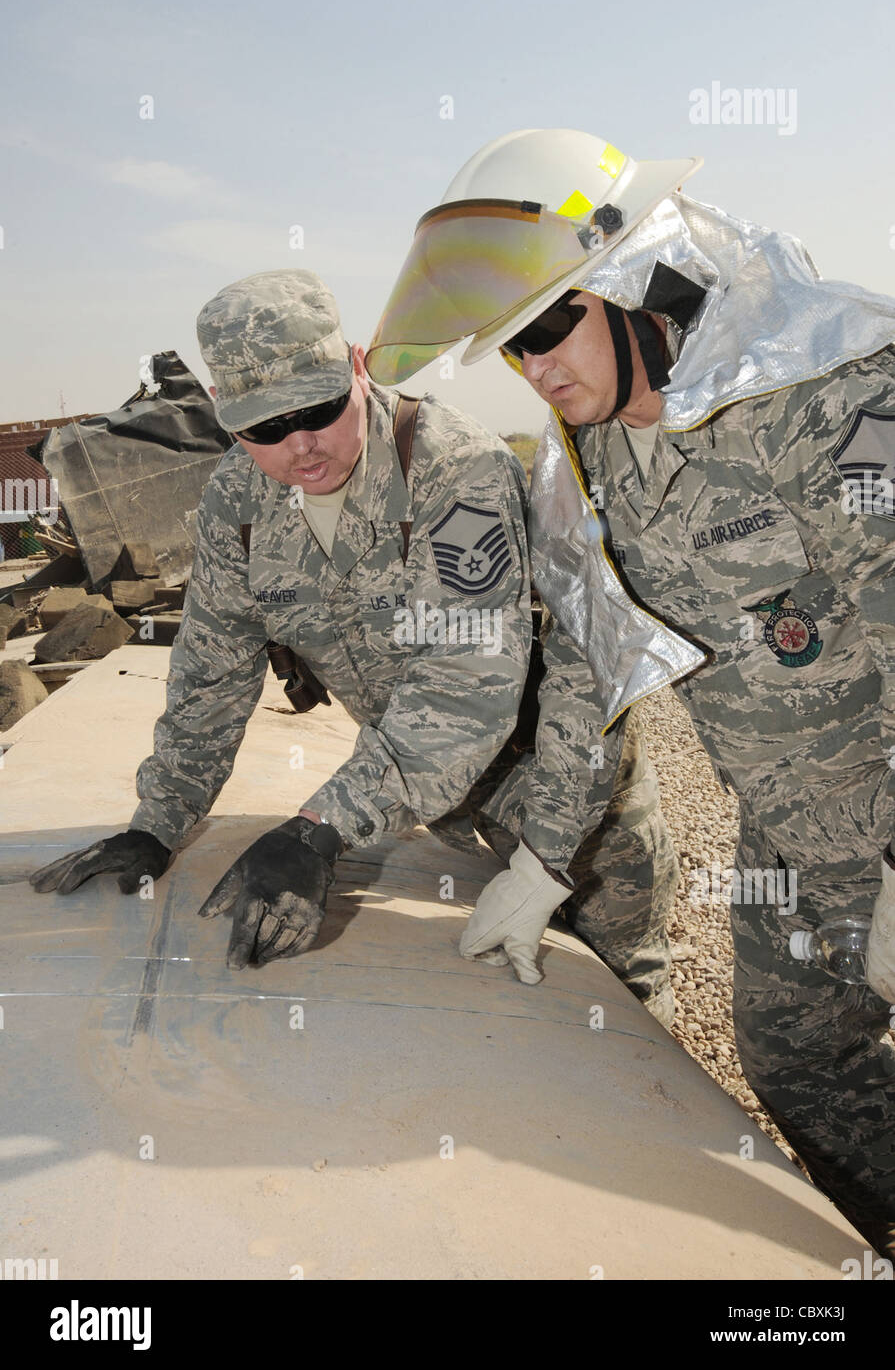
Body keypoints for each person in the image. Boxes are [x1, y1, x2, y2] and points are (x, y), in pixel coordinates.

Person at [365, 128, 895, 1257]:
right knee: (800, 1057)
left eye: (546, 329)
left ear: (640, 283)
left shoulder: (827, 392)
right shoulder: (586, 462)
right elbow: (587, 670)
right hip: (790, 837)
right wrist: (545, 861)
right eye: (509, 350)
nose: (534, 371)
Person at [29, 268, 677, 1024]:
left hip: (563, 793)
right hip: (436, 804)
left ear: (359, 367)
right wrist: (158, 823)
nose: (300, 445)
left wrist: (319, 830)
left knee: (621, 1003)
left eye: (318, 409)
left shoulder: (452, 467)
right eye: (264, 428)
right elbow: (211, 672)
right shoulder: (237, 499)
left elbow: (464, 685)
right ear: (225, 415)